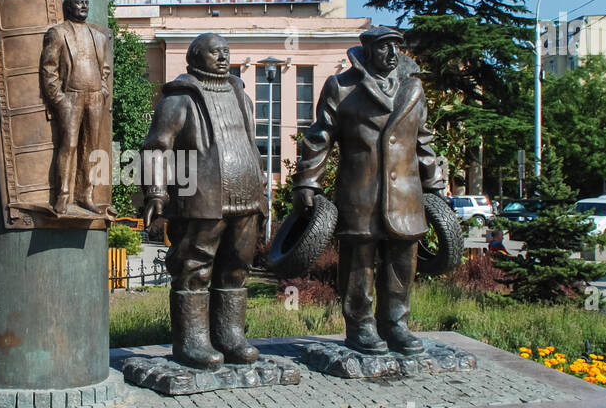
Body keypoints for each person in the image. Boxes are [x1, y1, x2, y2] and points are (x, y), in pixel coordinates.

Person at [293, 26, 443, 355]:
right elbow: (320, 138)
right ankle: (359, 324)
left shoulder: (413, 87)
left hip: (406, 194)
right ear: (366, 49)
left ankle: (396, 324)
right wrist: (307, 181)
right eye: (384, 47)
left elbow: (424, 141)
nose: (392, 54)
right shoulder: (342, 87)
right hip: (360, 192)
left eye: (396, 47)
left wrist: (434, 184)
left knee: (402, 261)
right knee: (359, 262)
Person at [142, 33, 267, 368]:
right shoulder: (179, 97)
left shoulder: (240, 94)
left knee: (236, 268)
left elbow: (251, 143)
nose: (223, 58)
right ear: (196, 57)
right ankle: (192, 342)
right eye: (215, 53)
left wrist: (262, 188)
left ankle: (230, 336)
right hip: (201, 199)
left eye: (226, 52)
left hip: (245, 198)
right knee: (193, 269)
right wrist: (155, 191)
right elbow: (157, 147)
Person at [40, 0, 111, 215]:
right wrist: (59, 99)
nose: (84, 6)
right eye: (79, 3)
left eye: (86, 3)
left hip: (95, 97)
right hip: (71, 97)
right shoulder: (58, 33)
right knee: (68, 146)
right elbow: (49, 68)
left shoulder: (98, 37)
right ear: (69, 7)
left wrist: (103, 90)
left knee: (92, 148)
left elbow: (104, 69)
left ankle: (86, 195)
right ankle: (63, 195)